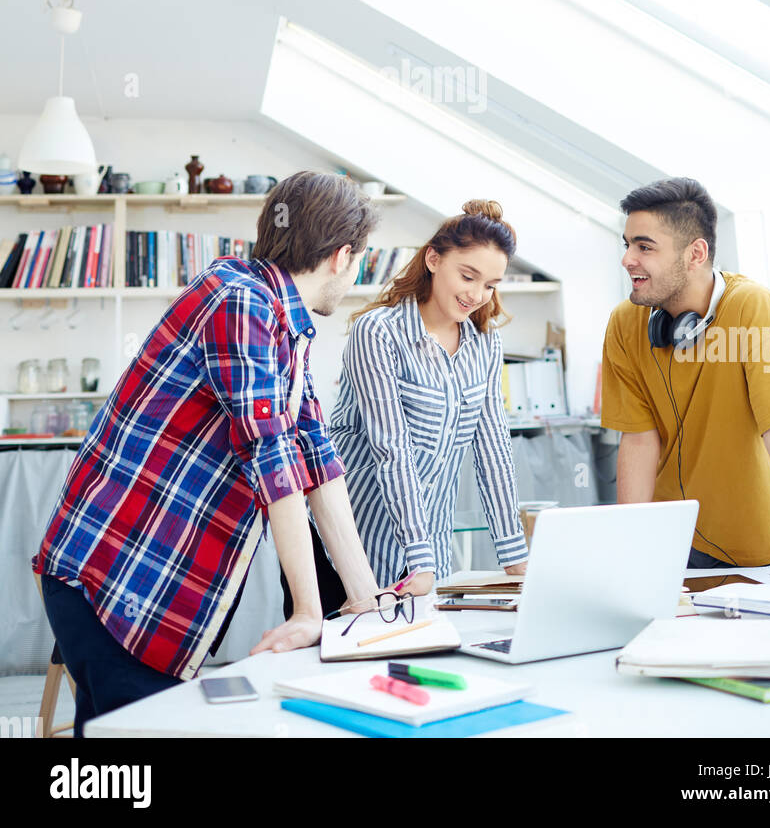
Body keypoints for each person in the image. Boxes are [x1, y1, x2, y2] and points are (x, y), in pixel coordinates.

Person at [33, 172, 385, 736]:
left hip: (149, 584)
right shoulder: (238, 300)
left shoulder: (283, 324)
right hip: (115, 579)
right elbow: (273, 460)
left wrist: (366, 599)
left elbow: (315, 458)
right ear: (344, 256)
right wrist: (307, 610)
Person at [601, 177, 770, 583]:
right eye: (627, 244)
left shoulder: (752, 307)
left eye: (644, 246)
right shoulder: (625, 323)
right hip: (673, 539)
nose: (628, 258)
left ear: (695, 253)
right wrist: (633, 545)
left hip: (753, 542)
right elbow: (639, 439)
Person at [316, 199, 529, 605]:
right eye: (468, 276)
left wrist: (515, 558)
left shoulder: (486, 344)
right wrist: (419, 557)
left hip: (429, 551)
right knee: (342, 661)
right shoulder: (378, 333)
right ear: (433, 259)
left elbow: (493, 449)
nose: (476, 294)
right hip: (350, 545)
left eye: (490, 285)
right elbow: (391, 448)